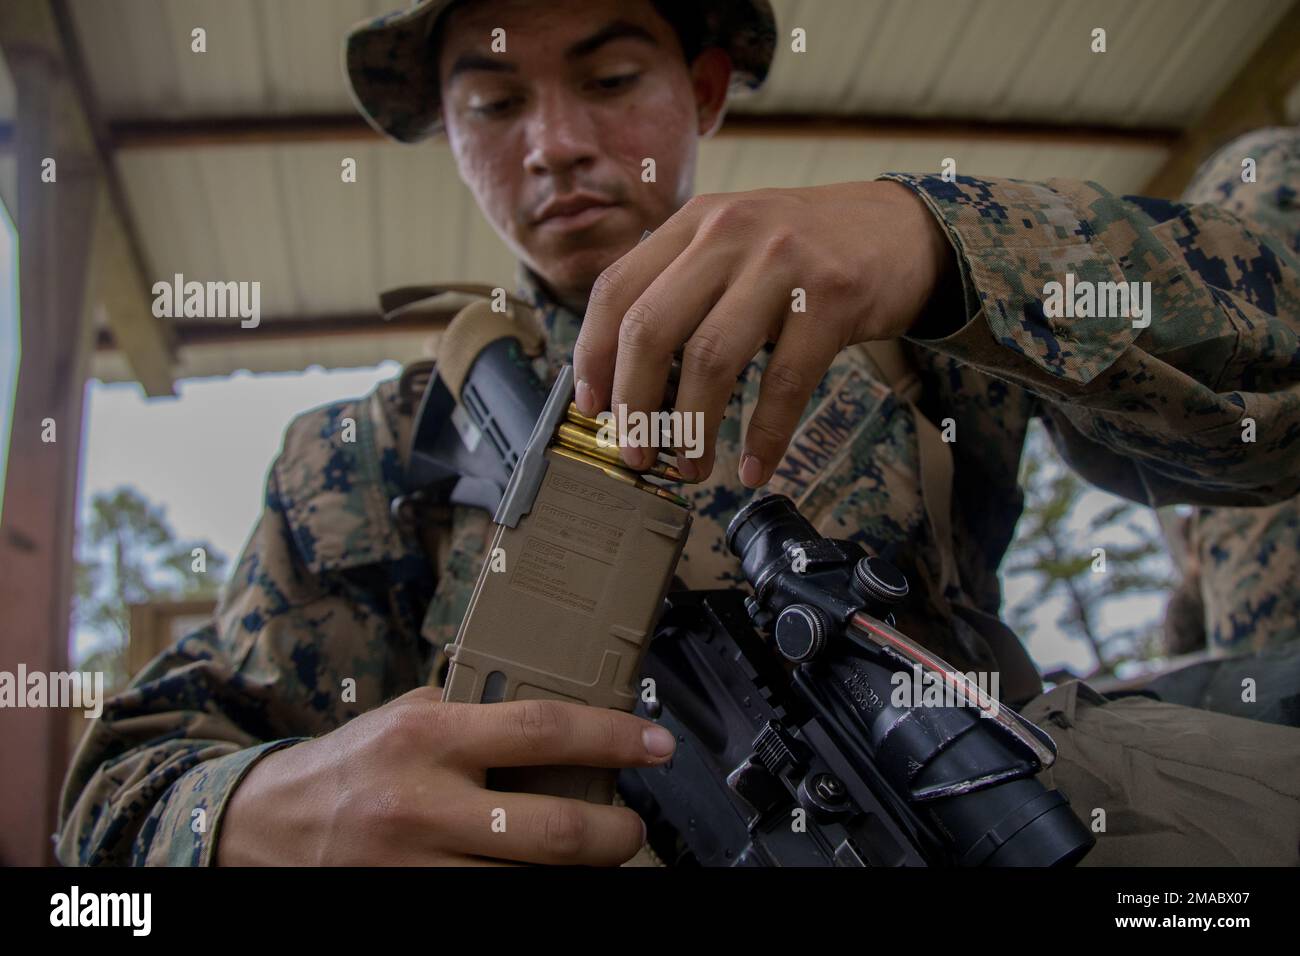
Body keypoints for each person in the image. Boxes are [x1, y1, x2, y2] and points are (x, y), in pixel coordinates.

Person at [57, 0, 1300, 867]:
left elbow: (1265, 411)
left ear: (700, 87)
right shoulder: (358, 457)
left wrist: (942, 242)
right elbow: (116, 799)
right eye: (494, 101)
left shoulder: (893, 331)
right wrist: (260, 809)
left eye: (608, 81)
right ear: (449, 128)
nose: (555, 145)